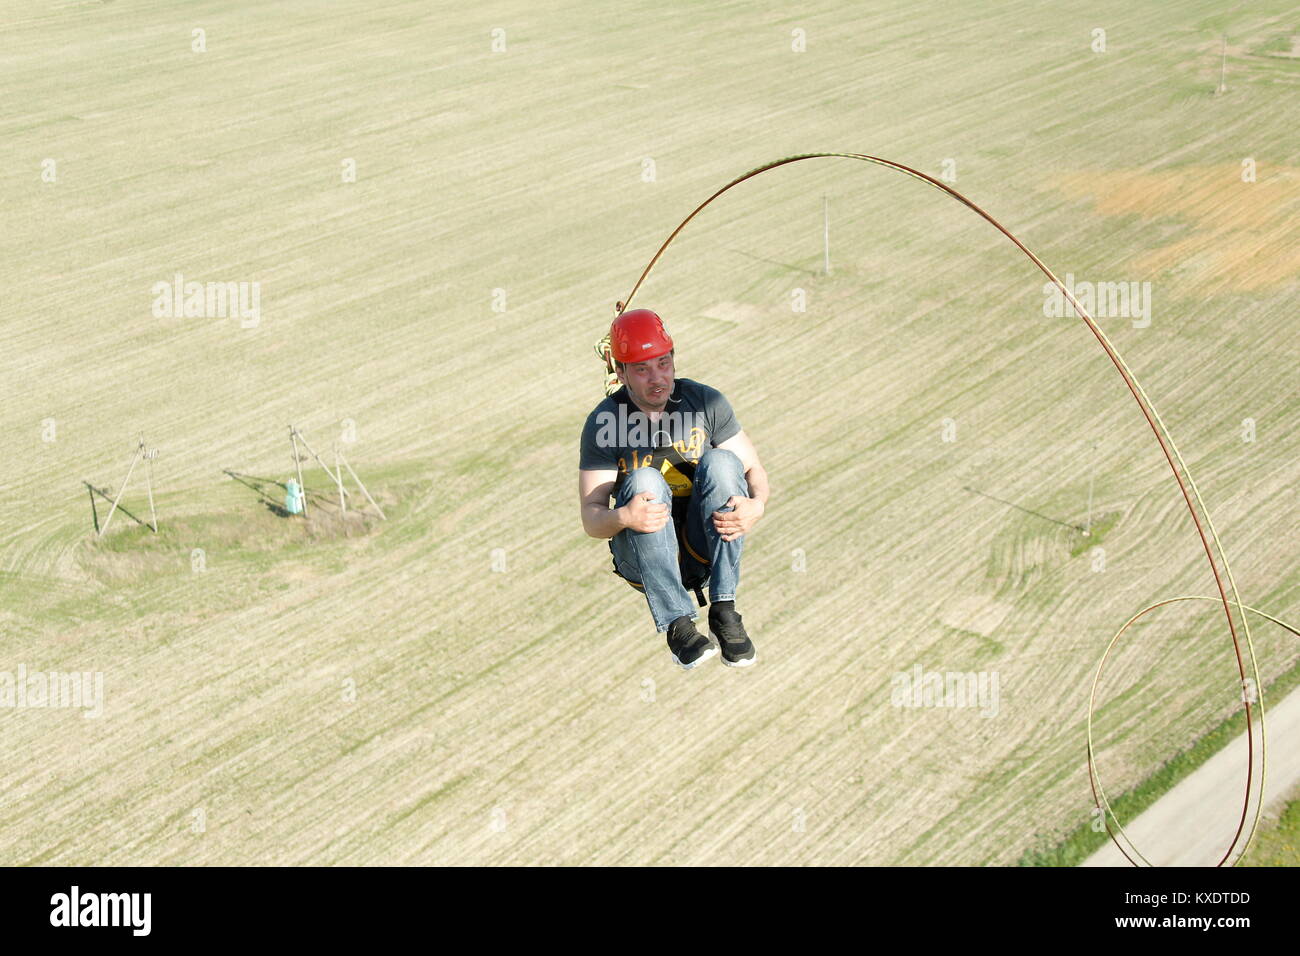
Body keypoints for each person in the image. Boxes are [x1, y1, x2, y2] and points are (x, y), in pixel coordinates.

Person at [578, 309, 770, 669]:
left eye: (663, 364)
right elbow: (592, 518)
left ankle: (724, 608)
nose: (657, 378)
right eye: (642, 369)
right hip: (643, 552)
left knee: (724, 462)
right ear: (619, 373)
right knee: (644, 481)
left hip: (702, 544)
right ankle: (677, 623)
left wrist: (756, 504)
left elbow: (753, 467)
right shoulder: (605, 422)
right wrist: (623, 515)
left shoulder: (705, 402)